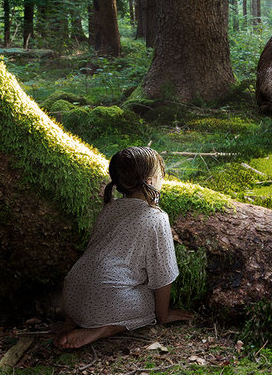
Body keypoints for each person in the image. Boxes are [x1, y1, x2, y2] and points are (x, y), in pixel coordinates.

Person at [56, 146, 193, 349]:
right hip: (108, 300)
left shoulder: (109, 209)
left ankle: (72, 321)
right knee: (148, 302)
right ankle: (102, 329)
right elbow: (163, 274)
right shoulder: (156, 217)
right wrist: (163, 315)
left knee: (106, 287)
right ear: (150, 181)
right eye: (161, 174)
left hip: (72, 292)